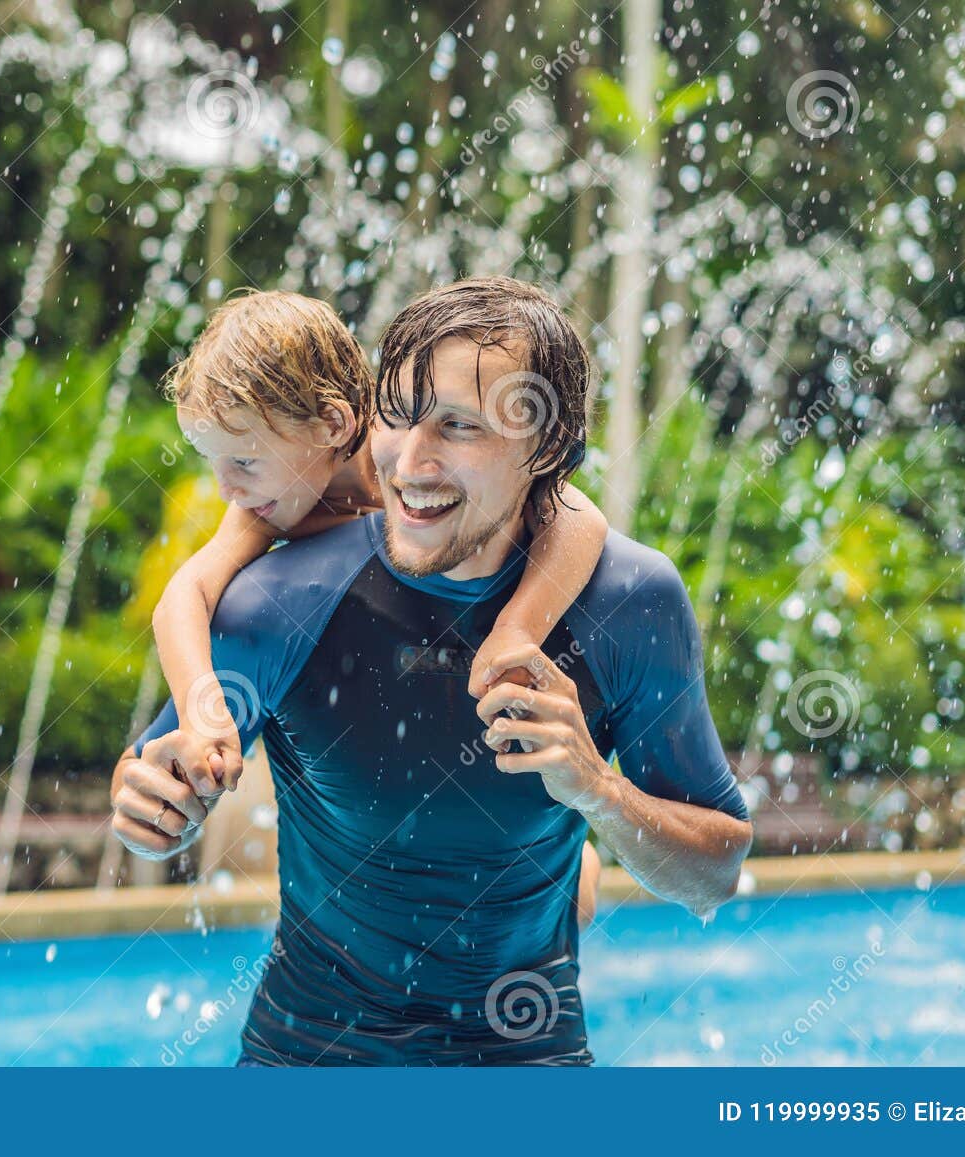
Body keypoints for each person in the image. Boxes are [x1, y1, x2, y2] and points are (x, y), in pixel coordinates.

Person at [112, 277, 752, 1065]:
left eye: (458, 426)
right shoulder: (282, 593)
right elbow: (161, 764)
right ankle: (567, 873)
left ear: (545, 447)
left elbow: (714, 875)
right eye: (398, 413)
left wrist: (600, 791)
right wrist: (151, 801)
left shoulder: (628, 602)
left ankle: (569, 870)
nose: (409, 463)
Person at [148, 288, 608, 916]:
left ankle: (566, 857)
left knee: (552, 874)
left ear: (335, 426)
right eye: (215, 463)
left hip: (482, 647)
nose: (226, 487)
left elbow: (578, 515)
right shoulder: (269, 506)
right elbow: (186, 594)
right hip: (399, 676)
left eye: (245, 461)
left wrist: (517, 628)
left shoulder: (405, 461)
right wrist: (201, 715)